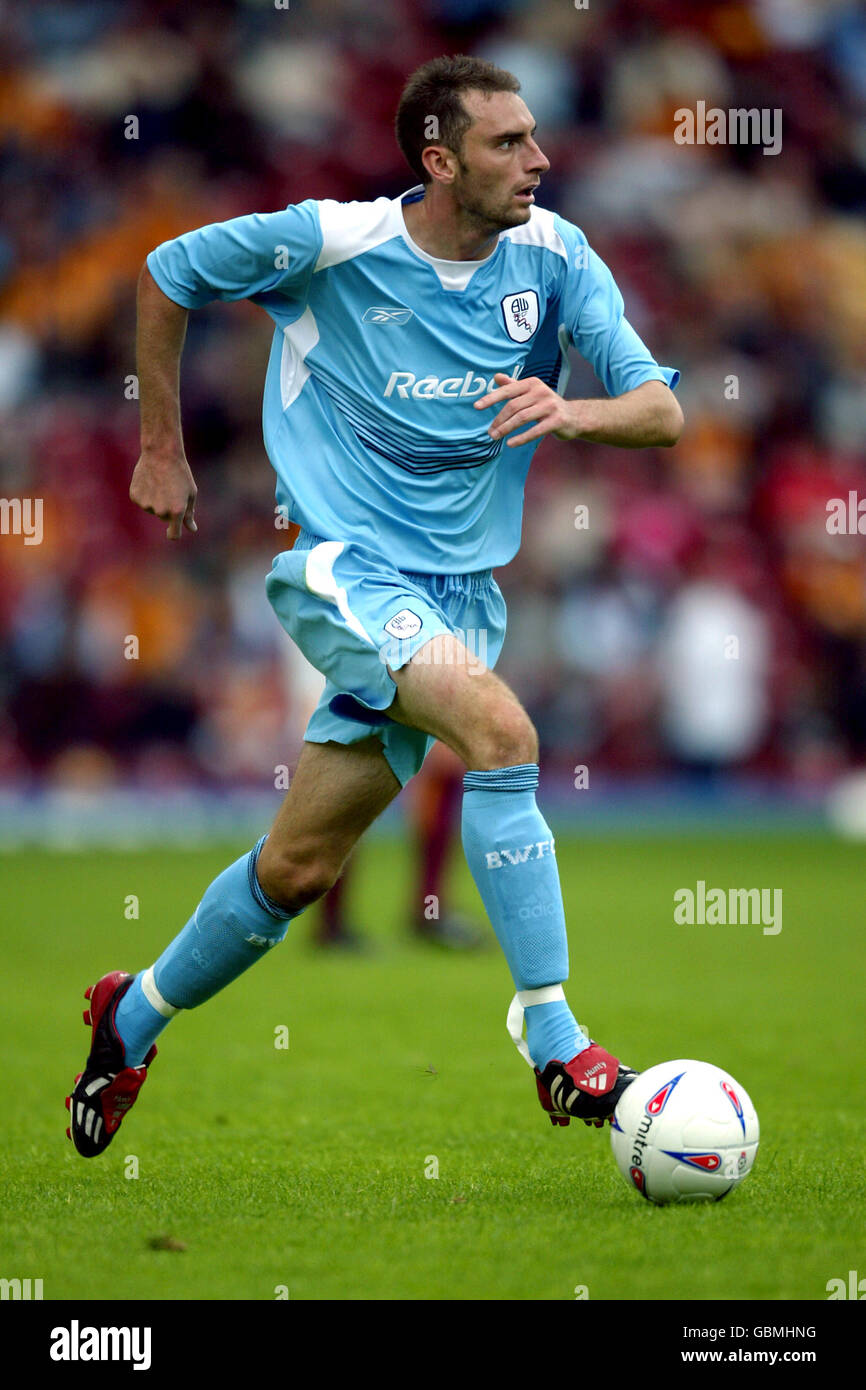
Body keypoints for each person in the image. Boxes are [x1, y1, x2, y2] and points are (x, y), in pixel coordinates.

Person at [66, 54, 682, 1158]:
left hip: (460, 597)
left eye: (536, 137)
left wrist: (571, 413)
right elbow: (168, 270)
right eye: (507, 143)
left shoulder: (556, 257)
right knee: (503, 735)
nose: (539, 159)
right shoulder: (332, 242)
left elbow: (659, 408)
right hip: (342, 570)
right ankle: (553, 1038)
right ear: (439, 160)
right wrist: (159, 445)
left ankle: (133, 1013)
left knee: (296, 869)